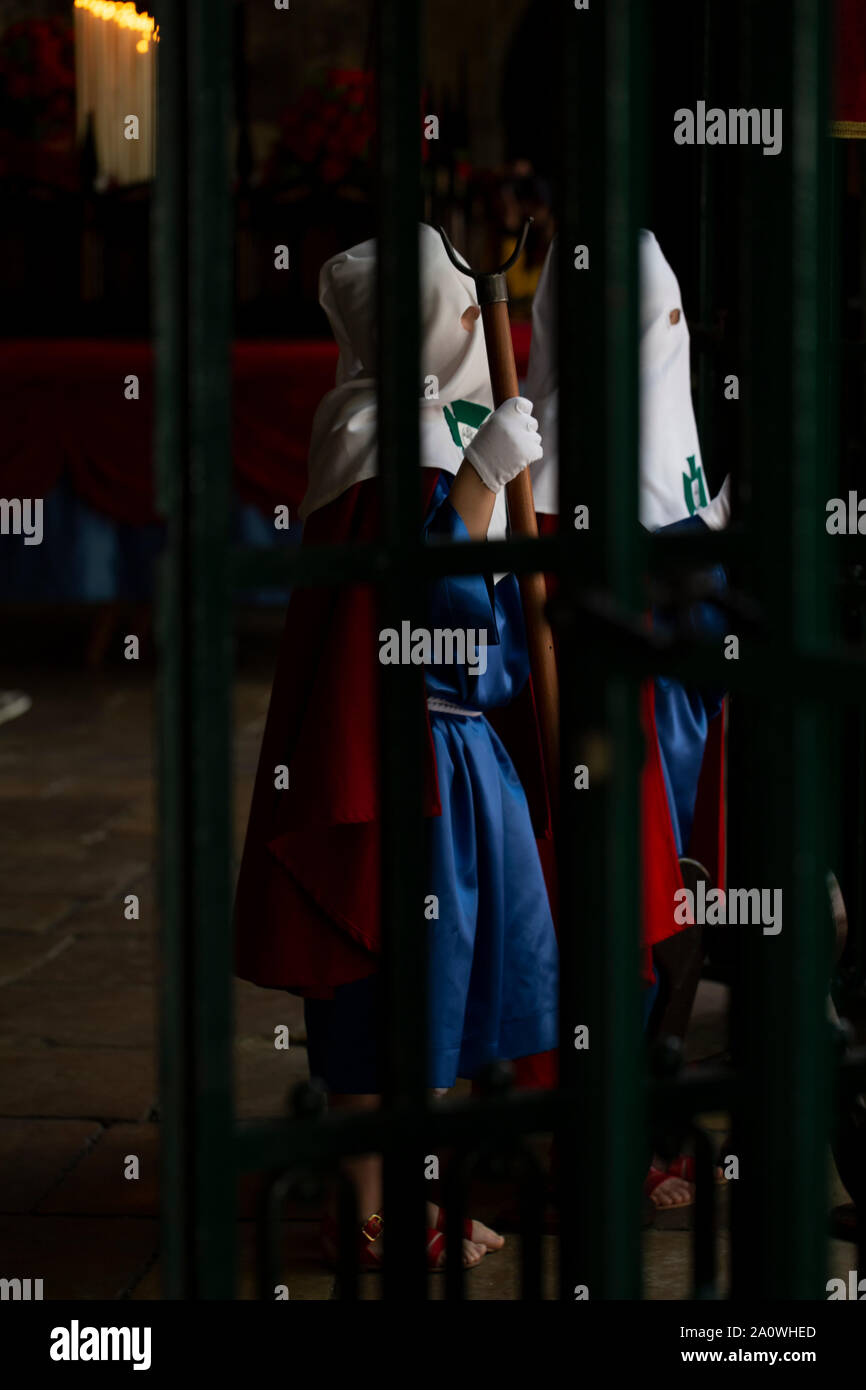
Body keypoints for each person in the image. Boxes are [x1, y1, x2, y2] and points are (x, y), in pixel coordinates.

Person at [235, 224, 559, 1268]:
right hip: (406, 754)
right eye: (465, 315)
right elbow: (429, 610)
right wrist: (477, 477)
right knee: (394, 974)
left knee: (460, 977)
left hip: (463, 752)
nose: (481, 331)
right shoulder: (383, 434)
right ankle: (367, 1198)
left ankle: (418, 1184)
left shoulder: (431, 428)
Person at [525, 229, 730, 1209]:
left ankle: (626, 1122)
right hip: (630, 677)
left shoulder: (546, 437)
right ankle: (599, 1134)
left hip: (661, 645)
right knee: (624, 900)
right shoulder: (554, 440)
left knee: (667, 892)